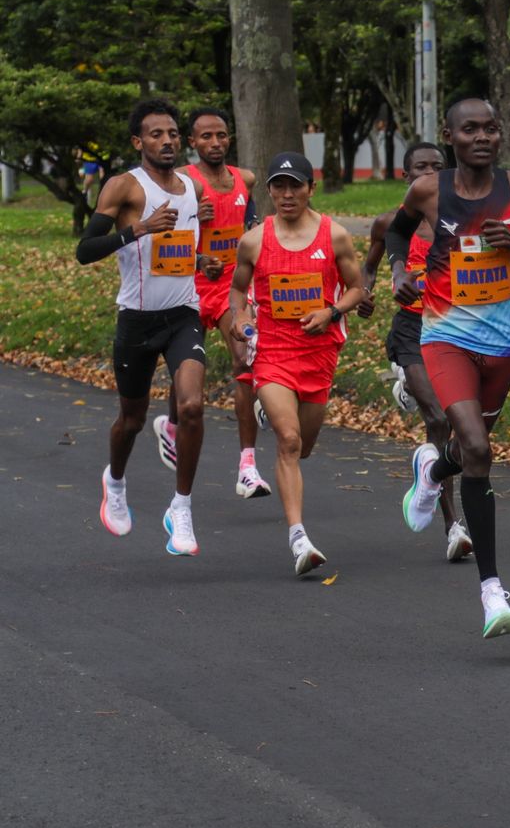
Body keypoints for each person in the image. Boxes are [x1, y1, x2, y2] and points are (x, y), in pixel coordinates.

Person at [384, 98, 510, 639]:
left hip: (503, 344)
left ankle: (434, 471)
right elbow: (397, 234)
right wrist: (398, 271)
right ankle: (492, 591)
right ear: (451, 136)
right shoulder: (428, 191)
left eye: (491, 127)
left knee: (467, 450)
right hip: (444, 337)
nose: (482, 136)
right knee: (481, 450)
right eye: (470, 129)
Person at [74, 99, 213, 557]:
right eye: (156, 134)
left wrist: (201, 261)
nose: (168, 140)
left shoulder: (190, 188)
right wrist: (140, 229)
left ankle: (181, 507)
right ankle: (114, 481)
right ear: (138, 142)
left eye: (173, 133)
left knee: (191, 406)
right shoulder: (123, 187)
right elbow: (85, 249)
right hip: (136, 321)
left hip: (182, 314)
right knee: (131, 420)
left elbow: (176, 251)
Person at [228, 152, 367, 577]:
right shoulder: (255, 239)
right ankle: (299, 539)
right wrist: (241, 318)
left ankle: (272, 412)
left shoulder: (335, 237)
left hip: (318, 354)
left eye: (295, 186)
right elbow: (237, 290)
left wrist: (332, 312)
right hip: (272, 352)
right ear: (268, 190)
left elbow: (358, 288)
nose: (287, 195)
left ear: (310, 189)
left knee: (303, 446)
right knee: (287, 440)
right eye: (279, 186)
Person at [146, 107, 273, 498]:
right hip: (187, 286)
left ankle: (248, 467)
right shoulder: (183, 179)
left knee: (243, 360)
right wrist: (191, 218)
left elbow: (248, 218)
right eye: (206, 137)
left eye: (221, 135)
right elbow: (159, 233)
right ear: (192, 142)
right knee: (188, 372)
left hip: (230, 288)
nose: (215, 143)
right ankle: (171, 423)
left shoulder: (243, 178)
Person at [361, 141, 473, 563]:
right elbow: (369, 267)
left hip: (457, 329)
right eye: (420, 168)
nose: (429, 173)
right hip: (412, 330)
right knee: (440, 420)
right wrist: (368, 294)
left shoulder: (465, 221)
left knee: (467, 429)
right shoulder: (391, 223)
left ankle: (408, 388)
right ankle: (453, 524)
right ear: (406, 177)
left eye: (438, 167)